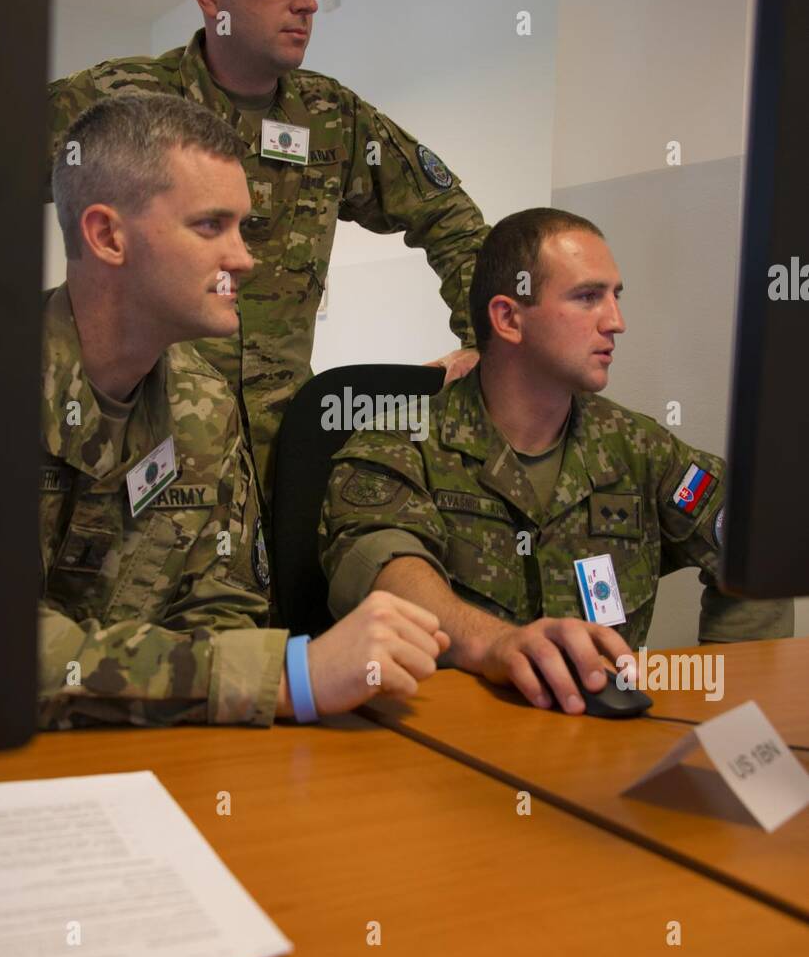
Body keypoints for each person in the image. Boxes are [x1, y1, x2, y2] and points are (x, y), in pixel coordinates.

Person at [47, 0, 486, 504]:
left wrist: (484, 344)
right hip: (143, 449)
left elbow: (451, 218)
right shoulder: (120, 99)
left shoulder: (333, 118)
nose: (306, 2)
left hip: (285, 453)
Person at [39, 94, 448, 729]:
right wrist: (281, 677)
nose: (244, 259)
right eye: (210, 226)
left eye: (243, 227)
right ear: (107, 235)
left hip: (143, 763)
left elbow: (221, 606)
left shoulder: (201, 405)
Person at [319, 209, 793, 714]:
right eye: (589, 297)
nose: (616, 321)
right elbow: (389, 576)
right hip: (445, 741)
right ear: (508, 319)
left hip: (598, 745)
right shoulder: (398, 444)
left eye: (615, 296)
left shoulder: (635, 448)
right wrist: (495, 644)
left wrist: (726, 698)